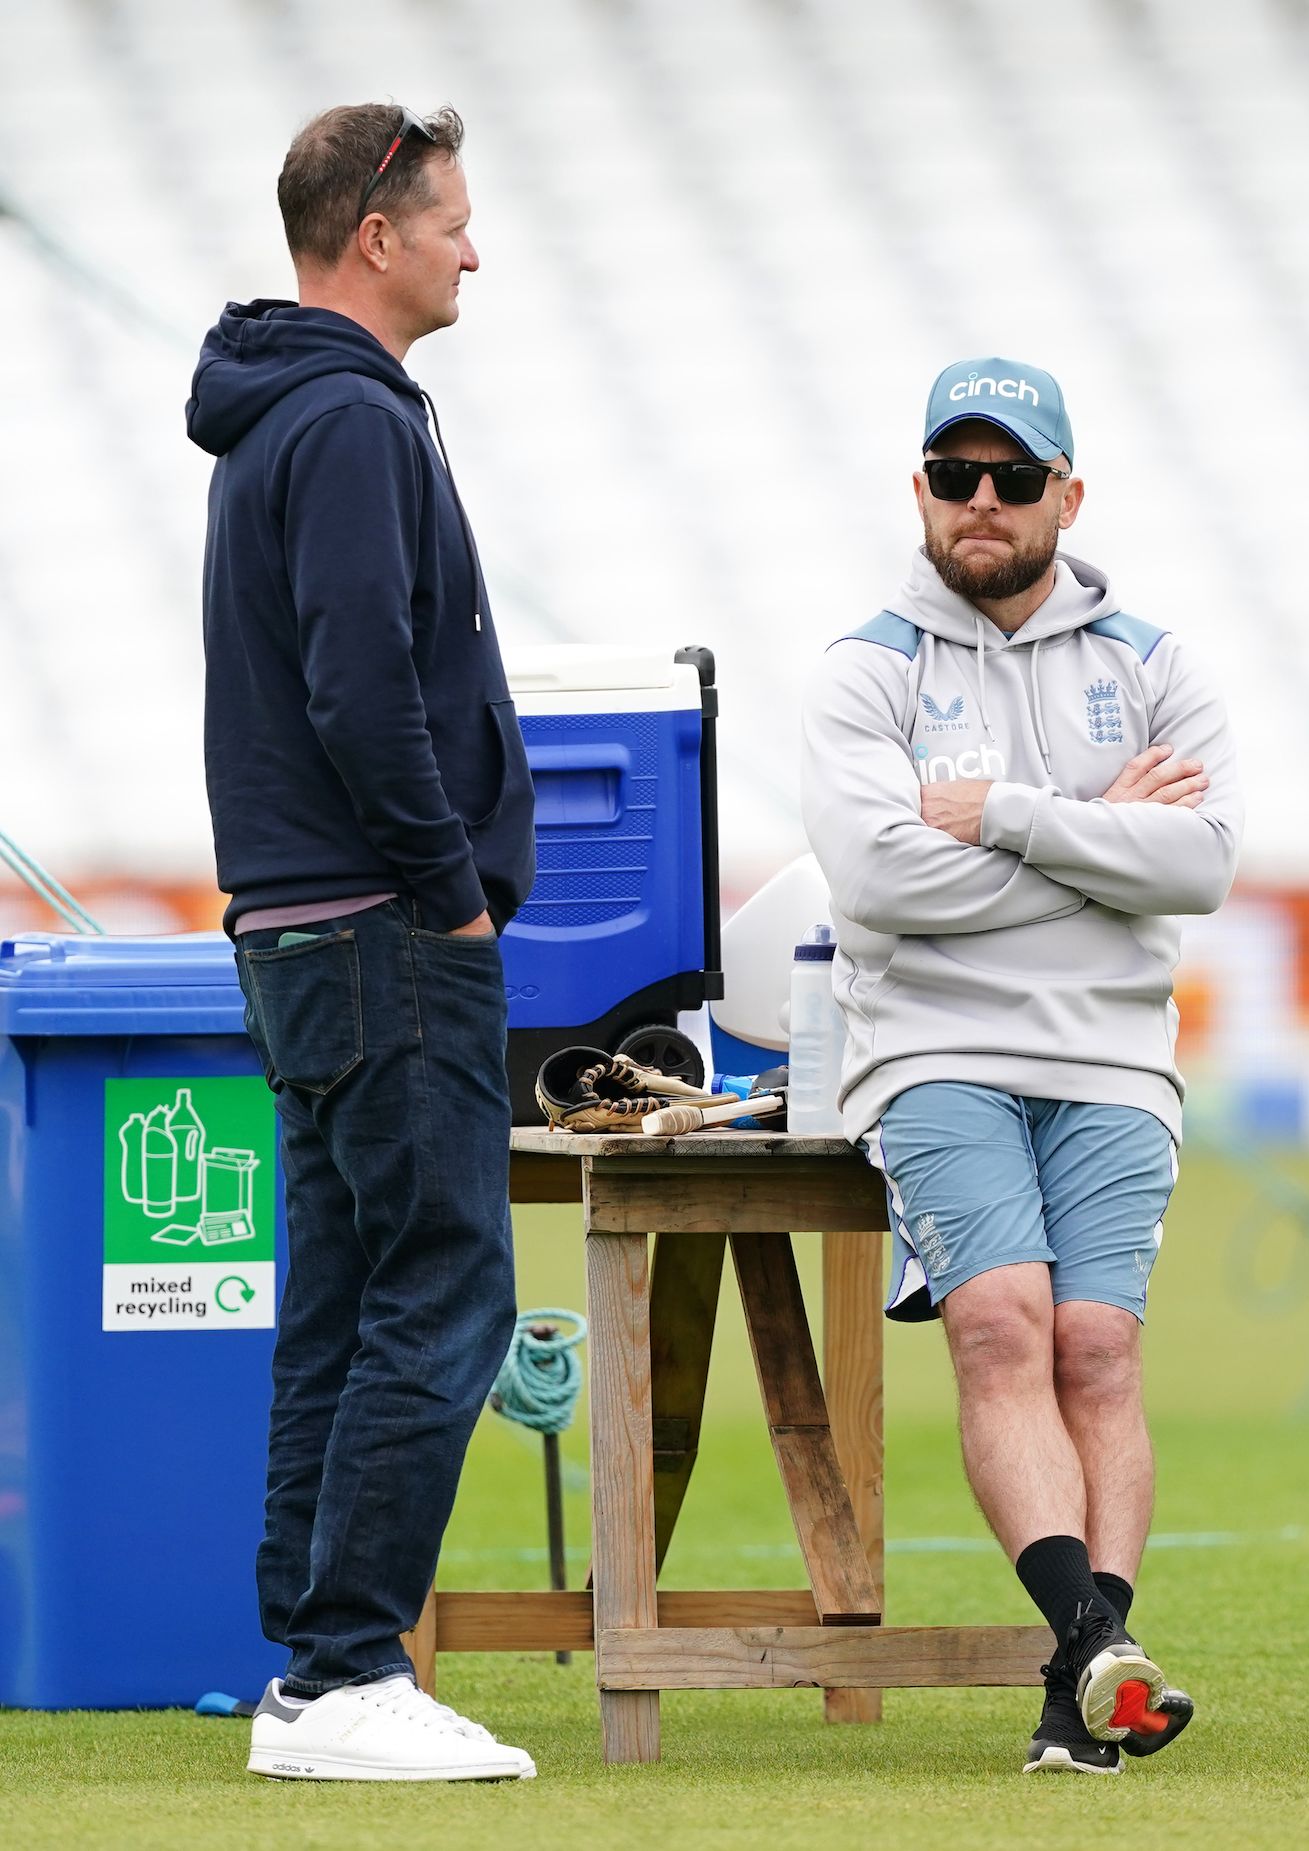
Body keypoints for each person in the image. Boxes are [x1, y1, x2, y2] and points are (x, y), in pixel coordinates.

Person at [801, 357, 1242, 1776]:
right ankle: (1096, 1649)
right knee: (1000, 1325)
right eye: (952, 476)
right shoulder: (868, 666)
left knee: (1098, 1351)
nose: (978, 502)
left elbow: (1205, 864)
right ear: (920, 492)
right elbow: (876, 888)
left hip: (1115, 1056)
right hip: (933, 1050)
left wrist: (1001, 818)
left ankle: (1085, 1679)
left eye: (1010, 476)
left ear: (1068, 492)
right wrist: (1097, 843)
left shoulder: (1157, 662)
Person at [187, 103, 537, 1783]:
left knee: (342, 1296)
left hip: (303, 927)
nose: (476, 247)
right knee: (450, 1286)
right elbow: (360, 683)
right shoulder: (343, 419)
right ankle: (347, 1672)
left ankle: (311, 1678)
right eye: (455, 218)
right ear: (377, 234)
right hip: (379, 926)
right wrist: (454, 889)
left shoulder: (291, 413)